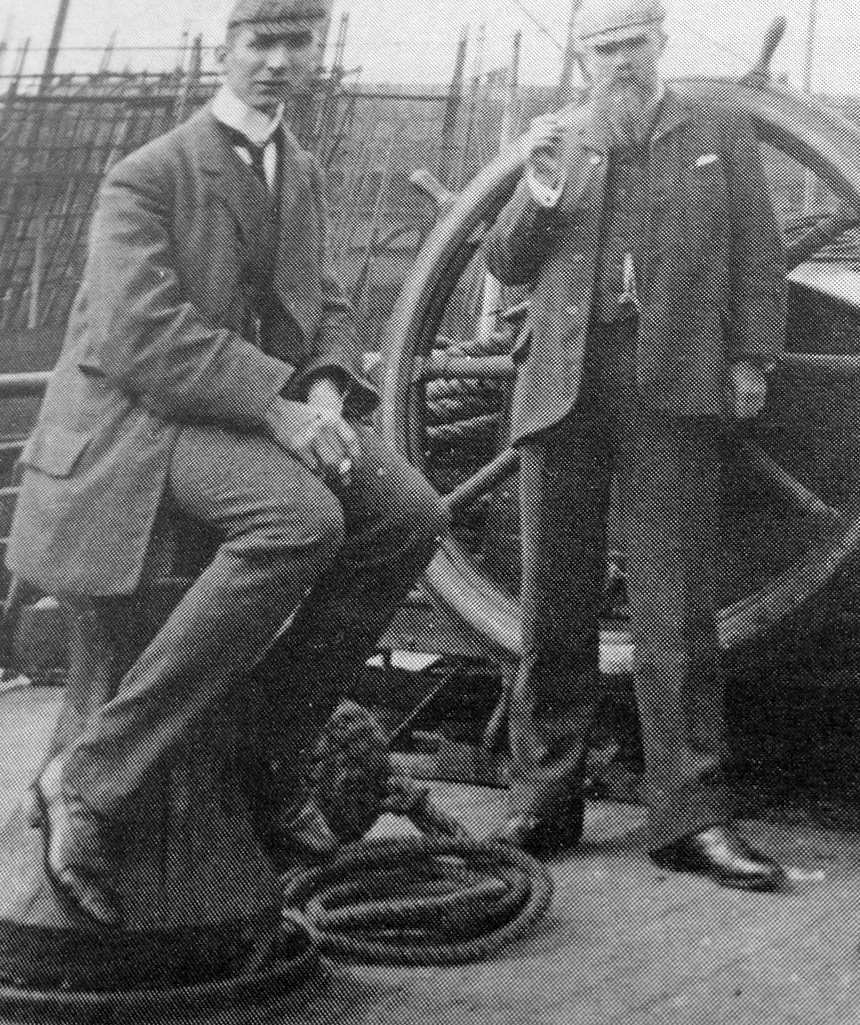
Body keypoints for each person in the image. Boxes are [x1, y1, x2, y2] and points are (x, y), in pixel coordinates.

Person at [6, 0, 447, 928]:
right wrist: (279, 410)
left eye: (299, 42)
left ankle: (269, 747)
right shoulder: (149, 174)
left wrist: (326, 390)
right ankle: (88, 779)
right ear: (227, 46)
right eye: (263, 41)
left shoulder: (302, 171)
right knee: (301, 519)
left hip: (239, 414)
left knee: (409, 512)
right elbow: (140, 339)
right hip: (133, 425)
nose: (281, 61)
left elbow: (326, 300)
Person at [485, 0, 787, 890]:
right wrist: (537, 187)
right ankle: (544, 801)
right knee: (552, 607)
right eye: (601, 50)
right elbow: (504, 262)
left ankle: (689, 818)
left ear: (662, 43)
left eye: (632, 45)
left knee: (677, 611)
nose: (617, 62)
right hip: (564, 387)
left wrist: (752, 358)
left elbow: (758, 253)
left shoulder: (719, 129)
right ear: (584, 58)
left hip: (674, 382)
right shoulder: (558, 140)